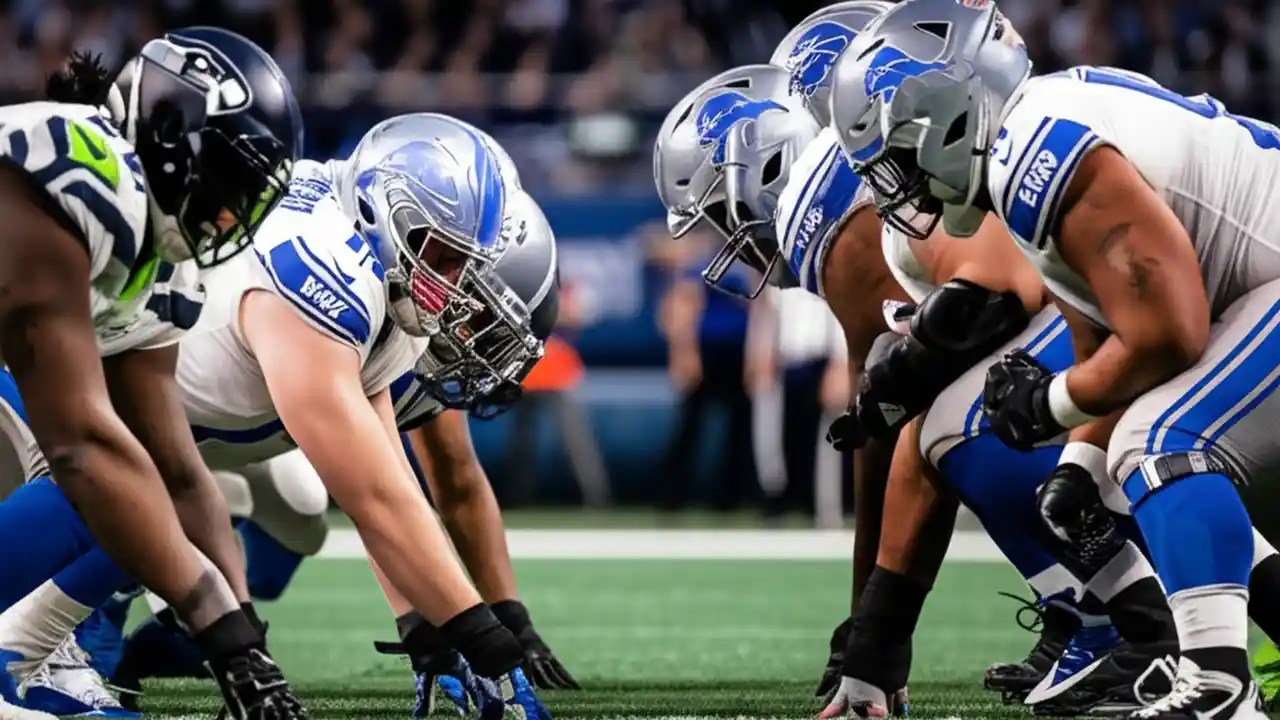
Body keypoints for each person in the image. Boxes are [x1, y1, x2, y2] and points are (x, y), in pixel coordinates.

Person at [655, 60, 1179, 717]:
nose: (730, 242)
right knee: (951, 423)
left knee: (970, 423)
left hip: (1172, 307)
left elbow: (905, 424)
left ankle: (1117, 617)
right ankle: (1099, 613)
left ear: (761, 174)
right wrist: (869, 630)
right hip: (1156, 299)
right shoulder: (880, 203)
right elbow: (885, 431)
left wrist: (871, 632)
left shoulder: (847, 223)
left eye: (717, 212)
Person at [0, 112, 554, 719]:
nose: (450, 286)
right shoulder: (324, 270)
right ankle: (31, 648)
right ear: (382, 211)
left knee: (194, 493)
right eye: (442, 256)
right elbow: (375, 498)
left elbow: (385, 483)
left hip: (133, 405)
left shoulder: (383, 277)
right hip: (49, 367)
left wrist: (428, 632)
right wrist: (490, 644)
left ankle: (32, 649)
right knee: (127, 489)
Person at [829, 0, 1280, 716]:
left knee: (1162, 441)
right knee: (1135, 458)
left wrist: (1052, 403)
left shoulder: (1036, 150)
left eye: (899, 159)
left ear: (947, 114)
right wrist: (1075, 466)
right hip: (1260, 294)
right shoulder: (1027, 145)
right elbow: (1102, 333)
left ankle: (1219, 686)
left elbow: (1171, 335)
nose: (900, 189)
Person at [0, 27, 306, 719]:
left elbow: (174, 470)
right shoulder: (77, 170)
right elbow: (82, 445)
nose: (232, 213)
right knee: (92, 474)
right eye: (231, 184)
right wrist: (215, 625)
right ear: (170, 139)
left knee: (130, 483)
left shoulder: (162, 261)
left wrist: (246, 642)